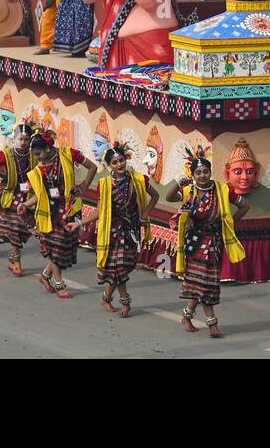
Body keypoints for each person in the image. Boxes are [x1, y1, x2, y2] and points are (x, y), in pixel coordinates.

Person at [165, 147, 248, 339]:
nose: (202, 175)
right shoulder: (189, 191)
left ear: (210, 172)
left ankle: (186, 316)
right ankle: (212, 324)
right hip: (195, 243)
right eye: (198, 172)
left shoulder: (222, 190)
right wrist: (178, 183)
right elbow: (169, 197)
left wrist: (229, 223)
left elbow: (245, 206)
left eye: (205, 171)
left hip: (215, 242)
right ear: (192, 174)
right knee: (203, 282)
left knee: (205, 282)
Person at [76, 142, 157, 317]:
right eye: (114, 162)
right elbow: (99, 211)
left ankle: (106, 297)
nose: (119, 164)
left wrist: (145, 215)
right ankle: (126, 301)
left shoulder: (139, 180)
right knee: (119, 267)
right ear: (108, 166)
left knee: (124, 266)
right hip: (112, 230)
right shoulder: (104, 184)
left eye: (121, 160)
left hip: (132, 228)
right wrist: (79, 224)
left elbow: (155, 196)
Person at [18, 132, 96, 298]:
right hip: (50, 214)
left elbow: (93, 168)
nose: (38, 159)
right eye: (35, 156)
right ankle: (59, 284)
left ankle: (45, 275)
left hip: (70, 209)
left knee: (64, 248)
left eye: (39, 154)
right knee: (57, 249)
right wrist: (24, 204)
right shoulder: (39, 171)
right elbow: (39, 195)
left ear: (47, 148)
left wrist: (83, 187)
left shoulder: (69, 154)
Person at [0, 122, 38, 276]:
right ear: (14, 139)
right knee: (14, 228)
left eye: (26, 140)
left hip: (28, 196)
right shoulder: (5, 155)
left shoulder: (34, 155)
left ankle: (12, 259)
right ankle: (17, 261)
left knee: (23, 231)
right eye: (20, 139)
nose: (23, 142)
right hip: (10, 196)